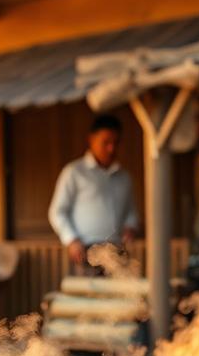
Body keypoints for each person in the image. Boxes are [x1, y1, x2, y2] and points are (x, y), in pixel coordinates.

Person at [48, 114, 139, 273]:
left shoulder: (124, 177)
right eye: (106, 142)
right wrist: (71, 240)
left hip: (117, 252)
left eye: (115, 143)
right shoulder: (74, 172)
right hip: (84, 252)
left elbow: (131, 211)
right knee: (86, 296)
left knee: (119, 295)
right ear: (91, 139)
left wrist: (130, 227)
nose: (111, 148)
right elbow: (57, 211)